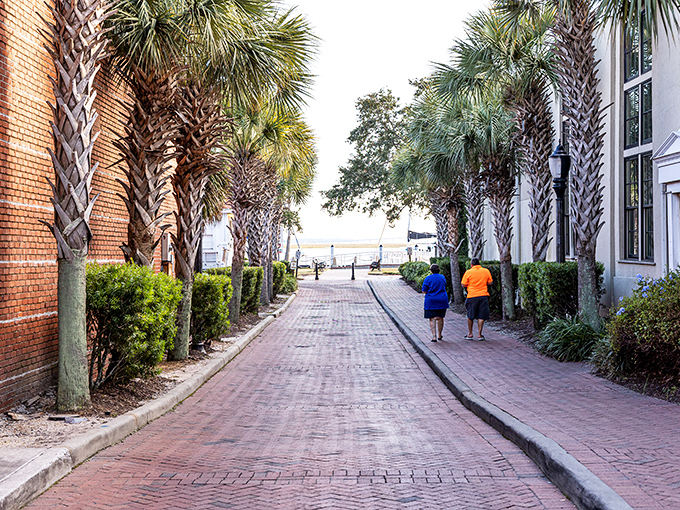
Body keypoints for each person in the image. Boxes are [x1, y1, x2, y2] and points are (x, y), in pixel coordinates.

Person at [461, 258, 493, 340]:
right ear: (479, 264)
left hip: (471, 296)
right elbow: (490, 282)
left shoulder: (468, 272)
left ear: (471, 264)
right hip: (483, 295)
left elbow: (463, 284)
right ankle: (479, 334)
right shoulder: (486, 271)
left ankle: (470, 334)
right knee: (481, 315)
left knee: (470, 315)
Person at [422, 264, 449, 342]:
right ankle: (440, 335)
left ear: (431, 271)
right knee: (440, 317)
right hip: (442, 300)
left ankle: (434, 336)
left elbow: (424, 290)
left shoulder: (428, 279)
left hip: (431, 301)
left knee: (432, 319)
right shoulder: (442, 277)